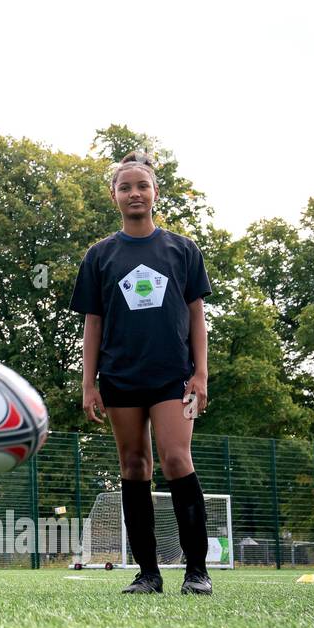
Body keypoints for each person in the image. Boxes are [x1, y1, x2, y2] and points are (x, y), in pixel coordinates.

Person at [70, 150, 213, 595]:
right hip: (120, 378)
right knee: (134, 466)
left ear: (154, 193)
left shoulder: (182, 249)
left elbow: (196, 317)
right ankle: (148, 574)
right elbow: (93, 323)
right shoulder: (100, 256)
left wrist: (201, 374)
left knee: (175, 459)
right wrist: (88, 382)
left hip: (173, 376)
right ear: (114, 196)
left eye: (142, 186)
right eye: (125, 186)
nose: (134, 193)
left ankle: (197, 572)